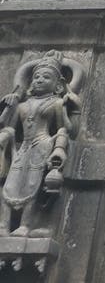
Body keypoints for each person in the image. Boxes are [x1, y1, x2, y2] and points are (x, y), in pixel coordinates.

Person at [0, 51, 81, 238]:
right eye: (36, 77)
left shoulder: (56, 103)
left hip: (43, 145)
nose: (39, 80)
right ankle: (3, 225)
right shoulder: (21, 106)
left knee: (32, 185)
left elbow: (65, 129)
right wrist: (10, 103)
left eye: (46, 77)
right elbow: (6, 127)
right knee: (9, 185)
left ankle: (25, 226)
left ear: (58, 84)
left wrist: (71, 108)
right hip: (22, 148)